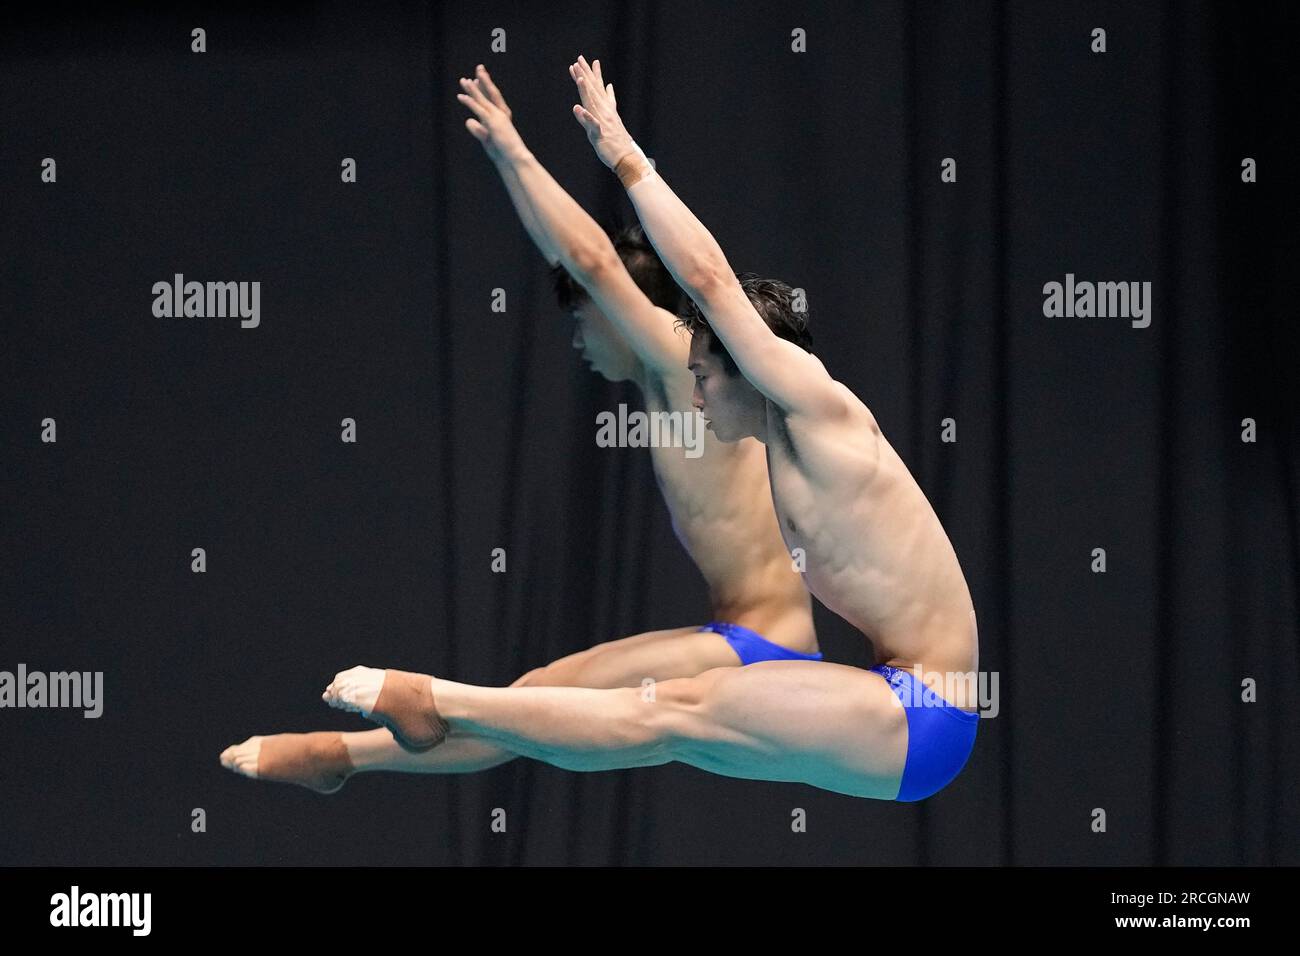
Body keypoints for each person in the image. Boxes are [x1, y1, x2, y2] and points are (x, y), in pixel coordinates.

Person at [312, 56, 982, 802]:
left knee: (672, 714)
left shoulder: (817, 408)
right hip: (897, 703)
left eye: (702, 373)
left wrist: (626, 159)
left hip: (928, 710)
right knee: (656, 721)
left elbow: (708, 280)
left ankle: (437, 701)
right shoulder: (780, 441)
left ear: (747, 366)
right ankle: (435, 710)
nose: (693, 391)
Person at [219, 64, 818, 795]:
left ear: (632, 309)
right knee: (531, 710)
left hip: (761, 650)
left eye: (584, 315)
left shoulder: (674, 356)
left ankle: (339, 754)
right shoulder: (673, 385)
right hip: (750, 645)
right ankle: (338, 757)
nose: (576, 337)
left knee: (528, 705)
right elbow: (576, 260)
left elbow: (593, 258)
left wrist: (515, 151)